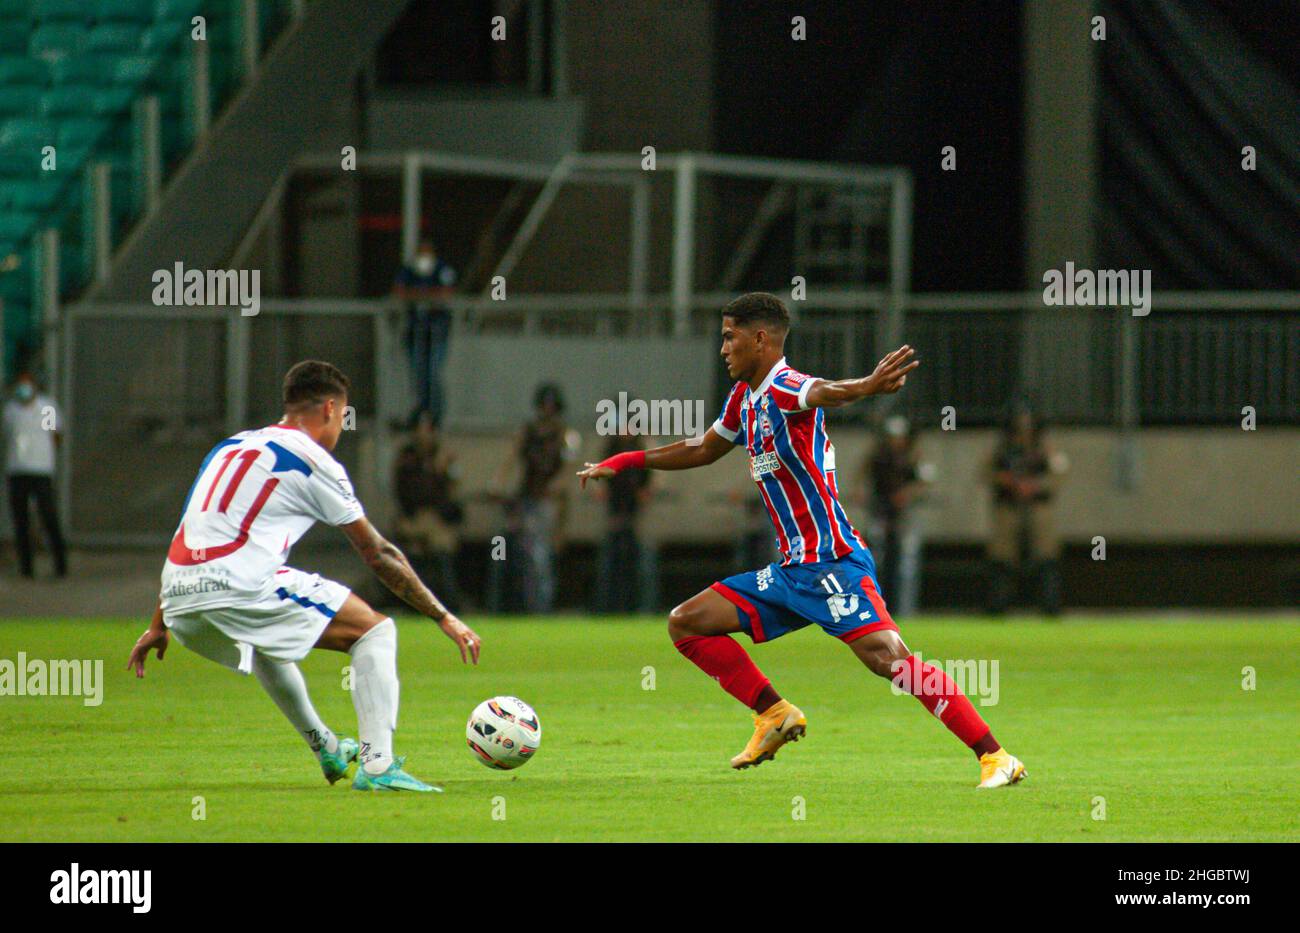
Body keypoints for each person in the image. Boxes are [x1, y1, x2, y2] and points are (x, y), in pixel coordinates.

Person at [578, 293, 1026, 788]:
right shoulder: (743, 400)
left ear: (760, 339)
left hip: (833, 563)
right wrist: (625, 463)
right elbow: (702, 449)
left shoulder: (784, 386)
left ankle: (995, 757)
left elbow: (827, 391)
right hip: (791, 571)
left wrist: (868, 386)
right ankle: (773, 714)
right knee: (687, 623)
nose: (723, 348)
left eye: (730, 337)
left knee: (892, 662)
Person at [126, 361, 481, 792]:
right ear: (331, 408)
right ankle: (378, 766)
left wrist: (157, 625)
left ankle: (327, 747)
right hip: (236, 585)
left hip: (180, 598)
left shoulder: (228, 448)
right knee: (375, 632)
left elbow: (190, 532)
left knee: (266, 645)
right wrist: (443, 616)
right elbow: (378, 553)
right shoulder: (313, 459)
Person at [986, 409, 1066, 616]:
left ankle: (1050, 608)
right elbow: (987, 472)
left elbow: (1058, 476)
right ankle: (998, 607)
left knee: (1046, 557)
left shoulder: (1046, 449)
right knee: (1002, 557)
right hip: (1009, 508)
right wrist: (1006, 480)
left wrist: (1035, 486)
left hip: (1038, 509)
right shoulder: (1002, 449)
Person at [393, 413, 465, 614]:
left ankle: (449, 602)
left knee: (442, 547)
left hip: (437, 517)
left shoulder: (444, 454)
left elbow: (454, 488)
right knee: (411, 551)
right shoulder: (405, 456)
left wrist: (440, 469)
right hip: (414, 515)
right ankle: (412, 603)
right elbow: (400, 490)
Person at [511, 383, 572, 613]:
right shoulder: (527, 432)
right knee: (527, 557)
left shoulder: (565, 434)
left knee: (542, 557)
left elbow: (567, 468)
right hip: (528, 498)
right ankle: (530, 605)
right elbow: (512, 460)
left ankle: (542, 607)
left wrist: (558, 489)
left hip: (550, 501)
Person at [865, 415, 930, 618]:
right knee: (876, 561)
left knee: (906, 564)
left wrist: (907, 494)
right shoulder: (878, 458)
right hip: (881, 513)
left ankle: (905, 610)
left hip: (905, 516)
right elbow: (864, 478)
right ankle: (877, 606)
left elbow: (924, 483)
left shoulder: (913, 459)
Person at [4, 373, 68, 579]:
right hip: (17, 470)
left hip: (40, 470)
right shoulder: (11, 411)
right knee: (20, 520)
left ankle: (60, 564)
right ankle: (26, 567)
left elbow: (55, 435)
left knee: (48, 517)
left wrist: (44, 454)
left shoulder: (46, 408)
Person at [394, 238, 457, 426]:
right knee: (417, 372)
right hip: (415, 331)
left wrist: (421, 294)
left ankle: (435, 413)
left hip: (437, 331)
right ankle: (420, 409)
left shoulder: (442, 269)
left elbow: (446, 293)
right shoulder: (409, 270)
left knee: (433, 372)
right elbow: (399, 291)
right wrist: (426, 294)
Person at [594, 429, 652, 613]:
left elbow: (651, 483)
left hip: (638, 517)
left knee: (641, 563)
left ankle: (641, 606)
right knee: (610, 564)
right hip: (613, 515)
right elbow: (601, 484)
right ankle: (607, 606)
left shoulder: (644, 448)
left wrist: (645, 494)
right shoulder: (609, 449)